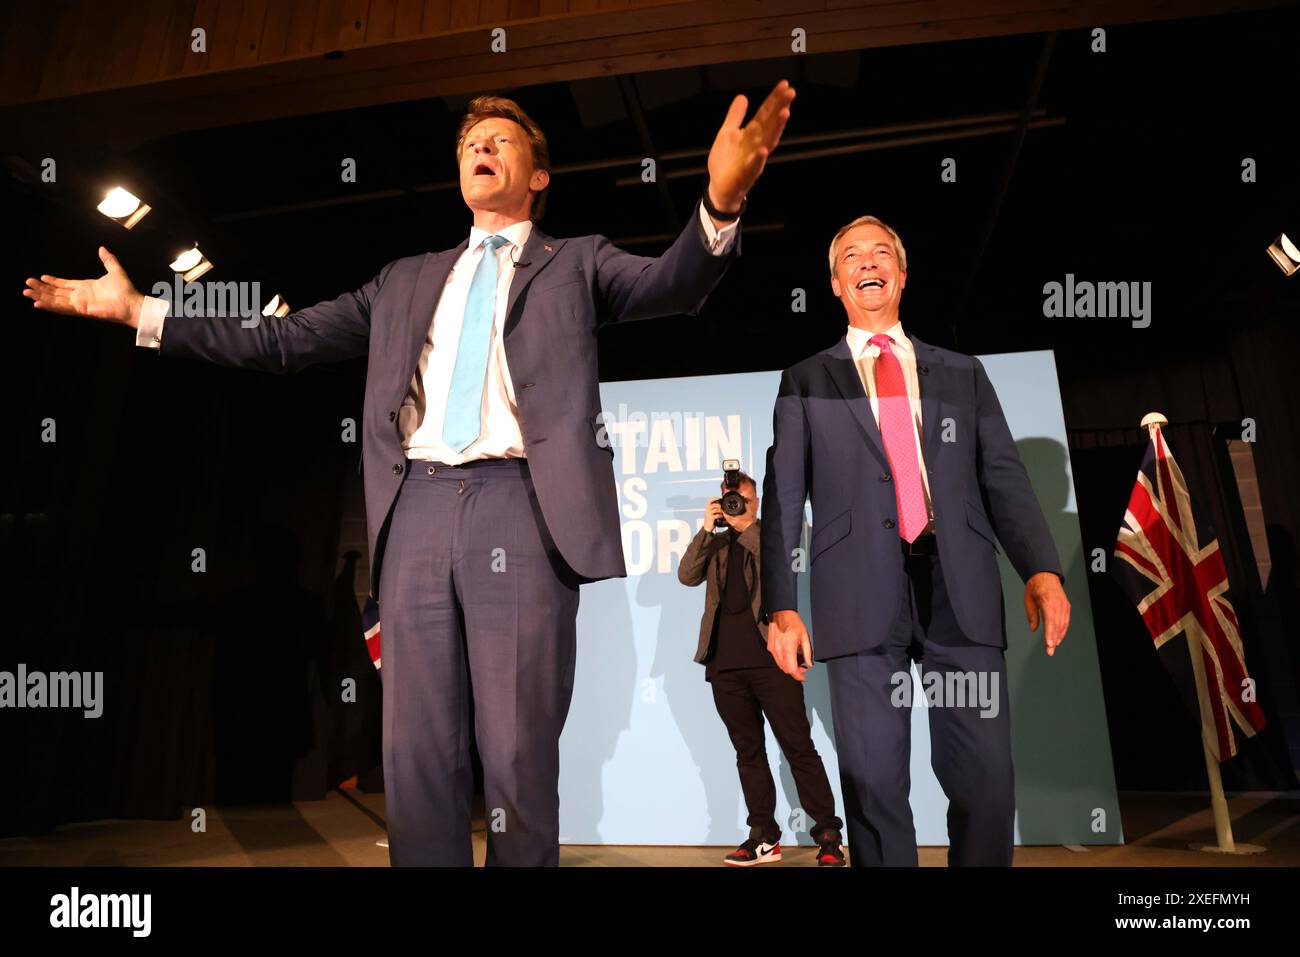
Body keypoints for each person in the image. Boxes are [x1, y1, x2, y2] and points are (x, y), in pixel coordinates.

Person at [23, 82, 797, 866]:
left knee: (519, 753)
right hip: (416, 512)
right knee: (417, 755)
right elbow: (279, 340)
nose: (481, 148)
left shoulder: (577, 262)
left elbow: (673, 284)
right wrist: (141, 313)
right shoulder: (402, 279)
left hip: (522, 511)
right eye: (470, 143)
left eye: (500, 140)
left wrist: (720, 204)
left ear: (538, 176)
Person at [759, 215, 1071, 866]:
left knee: (987, 781)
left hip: (960, 584)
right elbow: (784, 497)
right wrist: (781, 604)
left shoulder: (961, 372)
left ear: (901, 275)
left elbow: (1003, 474)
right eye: (851, 255)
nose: (866, 262)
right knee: (872, 787)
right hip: (855, 593)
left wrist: (1042, 568)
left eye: (880, 253)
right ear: (836, 284)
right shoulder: (806, 379)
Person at [677, 471, 845, 866]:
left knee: (798, 747)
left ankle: (828, 835)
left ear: (756, 504)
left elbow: (782, 565)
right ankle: (764, 836)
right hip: (724, 664)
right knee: (747, 752)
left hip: (773, 660)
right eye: (728, 500)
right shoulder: (715, 544)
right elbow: (686, 575)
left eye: (743, 501)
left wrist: (748, 524)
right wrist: (706, 529)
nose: (735, 507)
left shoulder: (772, 535)